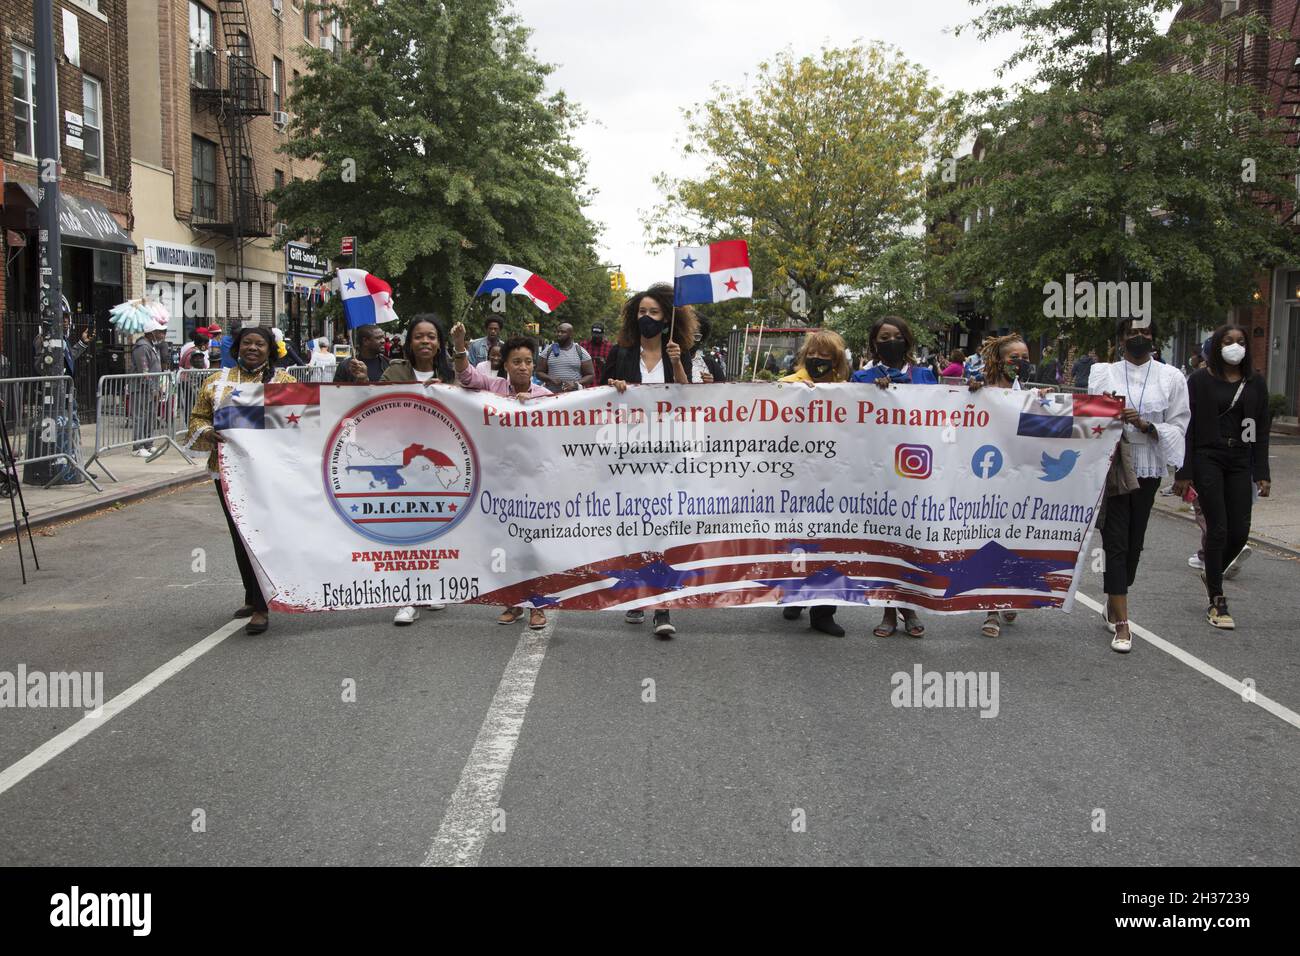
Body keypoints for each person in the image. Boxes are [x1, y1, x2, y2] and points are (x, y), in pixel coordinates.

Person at [603, 283, 700, 639]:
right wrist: (613, 385)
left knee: (663, 527)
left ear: (666, 319)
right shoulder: (621, 353)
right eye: (642, 312)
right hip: (629, 454)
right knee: (634, 526)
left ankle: (662, 606)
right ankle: (635, 592)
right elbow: (599, 398)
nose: (647, 318)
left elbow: (688, 398)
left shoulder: (680, 352)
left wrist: (677, 364)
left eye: (654, 313)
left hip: (669, 455)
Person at [186, 326, 297, 635]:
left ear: (270, 350)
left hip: (267, 473)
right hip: (227, 472)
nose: (252, 348)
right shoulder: (215, 382)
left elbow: (301, 422)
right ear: (236, 348)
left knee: (258, 533)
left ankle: (262, 606)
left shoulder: (283, 383)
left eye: (259, 344)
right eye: (247, 343)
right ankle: (252, 594)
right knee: (239, 534)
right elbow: (197, 419)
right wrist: (209, 432)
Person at [1089, 318, 1189, 653]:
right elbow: (1089, 417)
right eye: (1132, 332)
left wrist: (1147, 425)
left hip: (1148, 465)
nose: (1139, 337)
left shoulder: (1171, 377)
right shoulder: (1104, 373)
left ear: (1154, 339)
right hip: (1115, 463)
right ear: (1120, 339)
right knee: (1116, 540)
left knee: (1134, 543)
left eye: (1145, 332)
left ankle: (1114, 598)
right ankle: (1122, 623)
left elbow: (1179, 425)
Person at [450, 322, 553, 630]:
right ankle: (513, 603)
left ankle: (538, 604)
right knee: (506, 542)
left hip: (534, 481)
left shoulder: (547, 396)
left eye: (528, 362)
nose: (523, 367)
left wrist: (534, 409)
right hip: (499, 481)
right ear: (505, 365)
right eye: (516, 362)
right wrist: (458, 346)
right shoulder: (493, 388)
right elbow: (465, 377)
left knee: (533, 545)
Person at [1172, 325, 1271, 630]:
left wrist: (1261, 471)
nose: (1236, 346)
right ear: (1217, 346)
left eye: (1241, 342)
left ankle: (1212, 570)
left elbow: (1259, 428)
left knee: (1240, 532)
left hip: (1240, 458)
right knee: (1218, 527)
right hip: (1207, 457)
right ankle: (1217, 600)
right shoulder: (1200, 380)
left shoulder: (1254, 383)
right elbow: (1186, 428)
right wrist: (1184, 471)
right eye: (1229, 341)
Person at [850, 316, 933, 638]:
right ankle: (888, 609)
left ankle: (909, 607)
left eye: (897, 336)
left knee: (911, 542)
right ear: (874, 343)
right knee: (885, 543)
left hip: (917, 470)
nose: (891, 341)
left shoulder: (925, 375)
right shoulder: (861, 376)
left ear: (907, 340)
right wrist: (872, 393)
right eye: (884, 337)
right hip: (877, 472)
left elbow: (946, 411)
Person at [966, 333, 1052, 637]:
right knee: (989, 541)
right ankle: (991, 609)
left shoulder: (1027, 394)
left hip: (1018, 481)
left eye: (1025, 357)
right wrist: (972, 393)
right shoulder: (980, 390)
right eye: (1014, 357)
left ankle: (1007, 595)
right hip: (986, 480)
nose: (1020, 363)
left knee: (1012, 539)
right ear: (998, 360)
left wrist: (1047, 404)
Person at [379, 314, 455, 626]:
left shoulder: (449, 373)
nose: (425, 341)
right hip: (401, 464)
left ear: (439, 343)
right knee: (405, 530)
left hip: (437, 463)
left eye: (432, 337)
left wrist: (448, 391)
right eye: (419, 336)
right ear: (409, 341)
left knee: (433, 529)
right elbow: (375, 405)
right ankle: (405, 598)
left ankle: (429, 587)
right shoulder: (395, 371)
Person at [779, 329, 851, 637]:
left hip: (833, 479)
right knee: (796, 541)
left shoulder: (849, 391)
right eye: (814, 353)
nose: (819, 359)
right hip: (794, 477)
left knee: (829, 543)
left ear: (837, 360)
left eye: (826, 355)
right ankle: (794, 593)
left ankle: (823, 610)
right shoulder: (786, 386)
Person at [129, 327, 168, 457]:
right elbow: (144, 370)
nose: (163, 335)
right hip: (142, 388)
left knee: (151, 417)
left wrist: (158, 387)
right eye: (161, 332)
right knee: (140, 417)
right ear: (152, 332)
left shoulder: (152, 346)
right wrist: (152, 387)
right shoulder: (142, 347)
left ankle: (148, 444)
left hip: (152, 388)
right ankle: (138, 447)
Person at [536, 322, 594, 392]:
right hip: (552, 396)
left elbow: (590, 375)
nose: (559, 334)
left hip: (574, 396)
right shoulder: (548, 350)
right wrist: (550, 379)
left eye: (563, 332)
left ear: (571, 334)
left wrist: (575, 384)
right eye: (558, 332)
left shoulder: (580, 351)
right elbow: (539, 372)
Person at [690, 315, 726, 383]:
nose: (691, 340)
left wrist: (712, 385)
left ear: (702, 339)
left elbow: (723, 390)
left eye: (696, 336)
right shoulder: (667, 363)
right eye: (688, 334)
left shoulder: (710, 364)